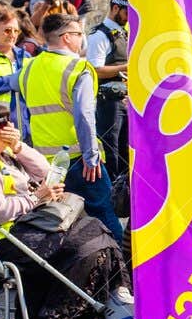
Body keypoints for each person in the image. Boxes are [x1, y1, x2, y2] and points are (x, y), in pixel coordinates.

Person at [0, 101, 124, 319]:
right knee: (80, 245)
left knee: (94, 232)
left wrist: (18, 146)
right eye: (1, 123)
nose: (9, 126)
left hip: (28, 227)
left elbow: (45, 171)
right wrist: (36, 198)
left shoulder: (5, 154)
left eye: (9, 121)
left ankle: (107, 299)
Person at [21, 13, 124, 244]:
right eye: (79, 34)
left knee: (56, 220)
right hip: (80, 159)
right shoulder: (79, 67)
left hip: (45, 163)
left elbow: (23, 114)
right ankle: (124, 271)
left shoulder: (29, 67)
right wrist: (91, 156)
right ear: (67, 37)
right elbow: (84, 115)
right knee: (105, 213)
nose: (82, 39)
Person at [85, 0, 131, 192]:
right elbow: (95, 69)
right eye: (126, 12)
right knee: (112, 151)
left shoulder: (124, 33)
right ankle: (113, 194)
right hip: (109, 103)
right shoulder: (100, 36)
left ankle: (124, 193)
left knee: (125, 150)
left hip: (125, 100)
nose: (129, 17)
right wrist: (128, 67)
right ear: (115, 8)